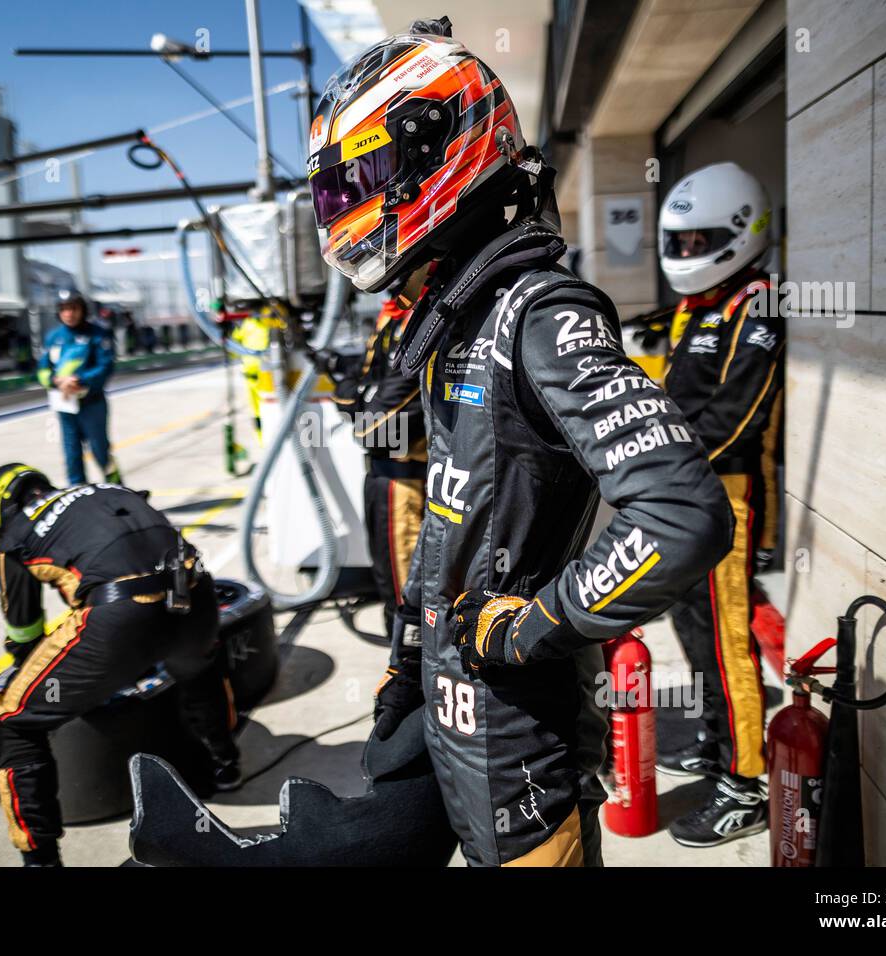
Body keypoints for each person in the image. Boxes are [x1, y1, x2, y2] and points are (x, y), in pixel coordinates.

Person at [308, 17, 734, 866]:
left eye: (364, 178)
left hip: (522, 736)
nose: (348, 206)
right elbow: (456, 517)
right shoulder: (458, 318)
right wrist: (412, 652)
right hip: (459, 708)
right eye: (335, 190)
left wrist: (530, 627)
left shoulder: (539, 312)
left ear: (440, 147)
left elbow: (682, 516)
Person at [0, 463, 240, 866]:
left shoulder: (18, 532)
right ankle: (225, 766)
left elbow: (24, 632)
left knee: (13, 717)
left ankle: (40, 859)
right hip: (195, 593)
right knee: (198, 668)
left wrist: (69, 680)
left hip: (122, 613)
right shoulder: (106, 490)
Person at [655, 161, 786, 846]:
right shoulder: (697, 305)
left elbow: (737, 414)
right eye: (677, 243)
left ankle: (746, 783)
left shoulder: (758, 302)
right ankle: (716, 742)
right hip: (682, 491)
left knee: (728, 640)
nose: (685, 253)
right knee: (695, 631)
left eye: (696, 242)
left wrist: (660, 458)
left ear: (741, 232)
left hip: (726, 497)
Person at [319, 266, 430, 640]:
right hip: (381, 476)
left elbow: (375, 430)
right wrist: (344, 374)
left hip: (406, 480)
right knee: (386, 578)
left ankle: (411, 662)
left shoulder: (425, 318)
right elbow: (371, 377)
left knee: (406, 590)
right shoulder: (393, 313)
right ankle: (400, 656)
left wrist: (351, 400)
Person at [38, 288, 121, 485]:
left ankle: (118, 490)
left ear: (82, 309)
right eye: (64, 309)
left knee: (101, 452)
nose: (69, 313)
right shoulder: (53, 337)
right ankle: (78, 495)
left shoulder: (98, 335)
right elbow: (42, 370)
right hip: (66, 406)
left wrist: (79, 380)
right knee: (72, 455)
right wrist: (56, 381)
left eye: (73, 308)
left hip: (92, 404)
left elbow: (105, 366)